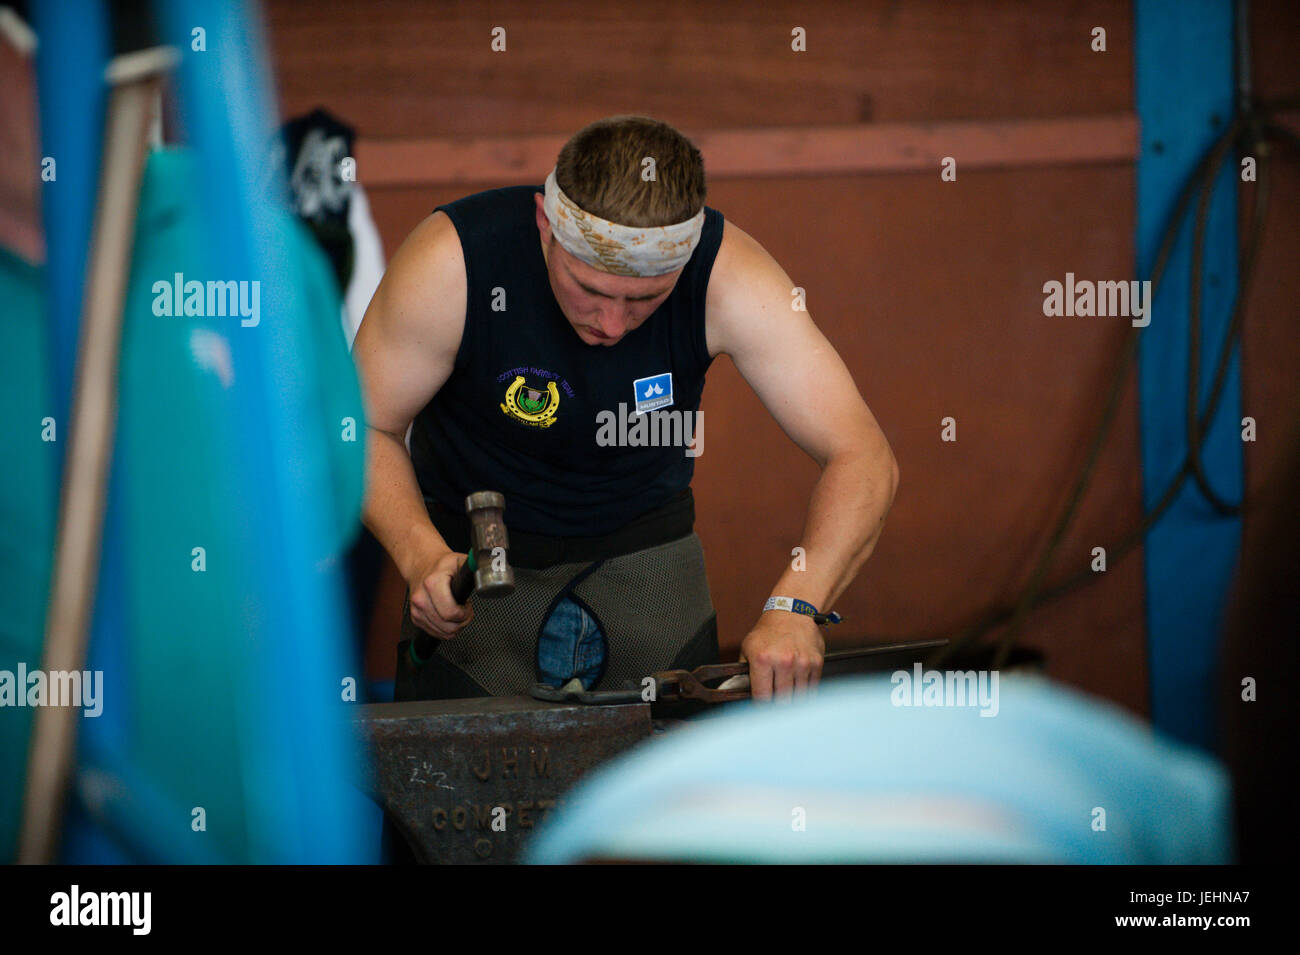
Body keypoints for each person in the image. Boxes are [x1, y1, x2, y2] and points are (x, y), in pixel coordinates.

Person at [354, 115, 898, 703]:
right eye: (589, 289)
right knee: (456, 789)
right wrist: (419, 554)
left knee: (675, 791)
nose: (610, 324)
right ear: (545, 224)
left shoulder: (728, 274)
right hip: (474, 567)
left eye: (644, 299)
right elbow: (360, 426)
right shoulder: (456, 261)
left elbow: (861, 453)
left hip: (648, 563)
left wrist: (796, 606)